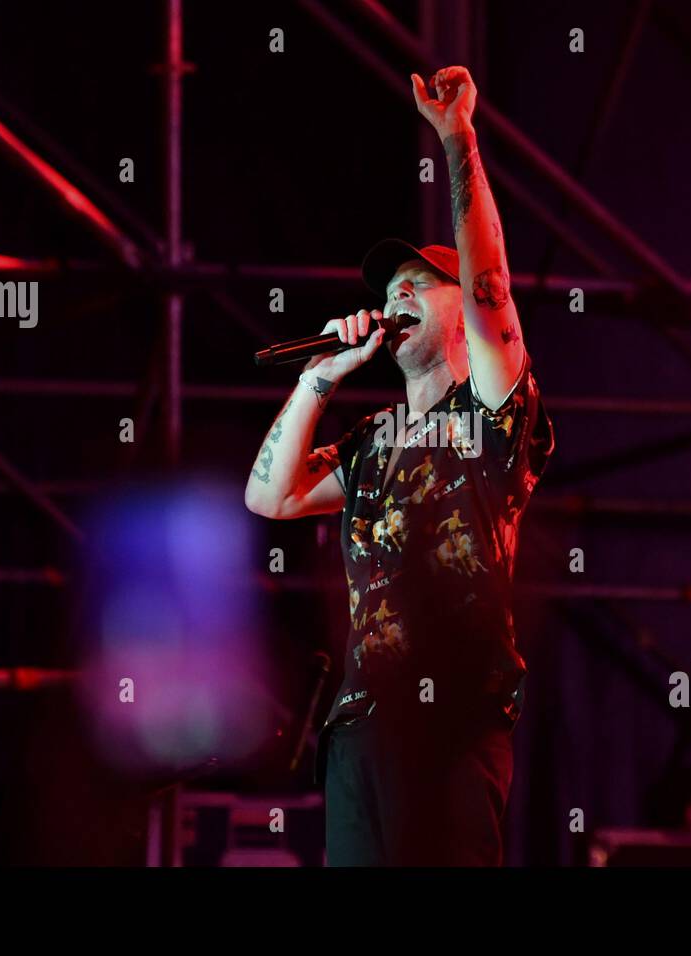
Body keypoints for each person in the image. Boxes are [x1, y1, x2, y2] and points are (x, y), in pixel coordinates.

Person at [244, 66, 554, 865]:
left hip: (450, 723)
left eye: (418, 283)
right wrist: (319, 377)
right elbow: (268, 497)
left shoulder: (487, 414)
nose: (397, 296)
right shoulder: (371, 442)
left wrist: (458, 139)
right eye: (390, 288)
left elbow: (490, 279)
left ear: (460, 312)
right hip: (357, 728)